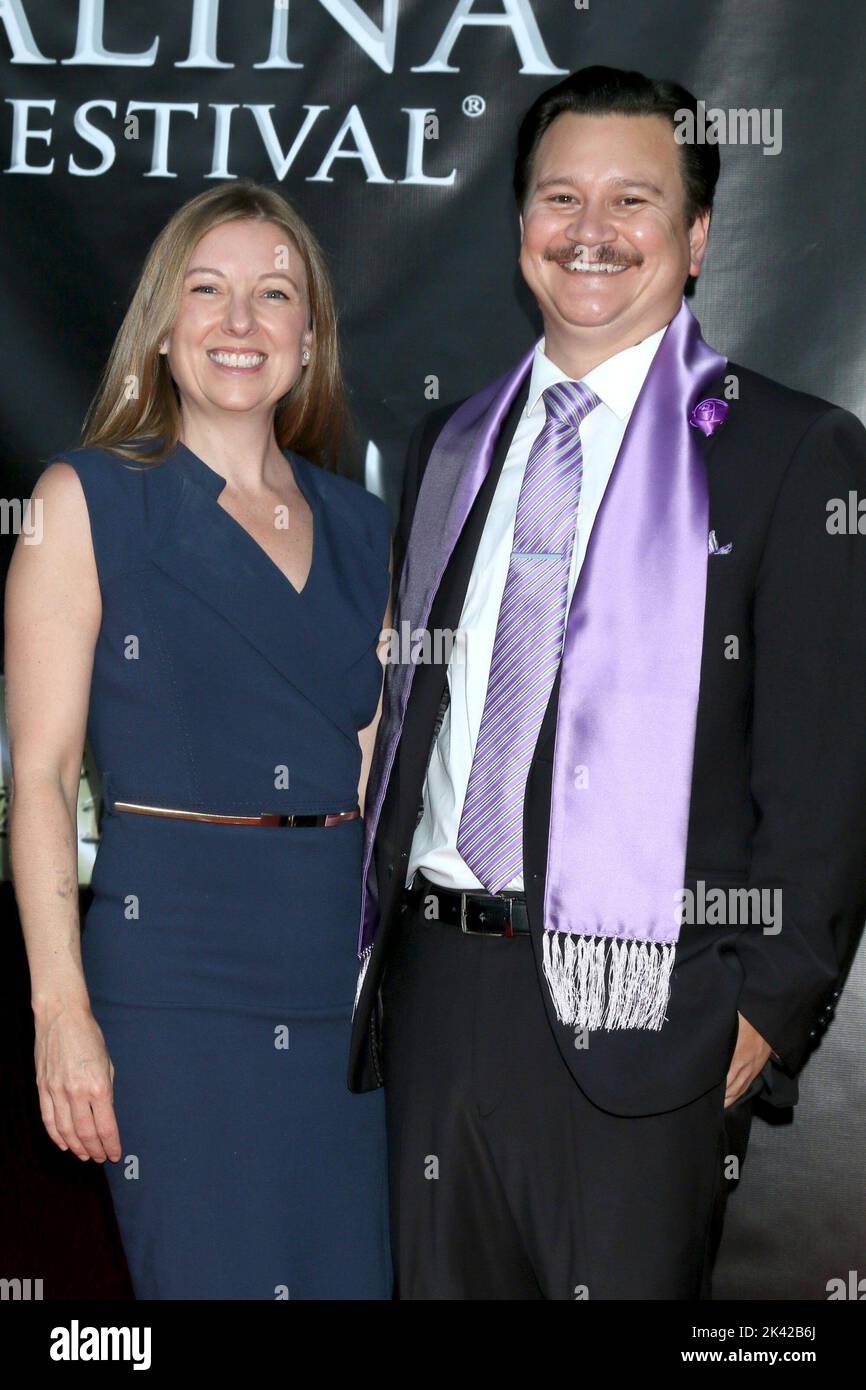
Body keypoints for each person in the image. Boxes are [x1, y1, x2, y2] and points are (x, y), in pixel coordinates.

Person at [349, 66, 866, 1299]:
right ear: (519, 226)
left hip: (645, 1021)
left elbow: (826, 775)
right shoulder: (450, 446)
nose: (589, 232)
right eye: (557, 197)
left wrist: (757, 1017)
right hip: (439, 998)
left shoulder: (790, 452)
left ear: (693, 237)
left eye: (631, 200)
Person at [6, 180, 393, 1300]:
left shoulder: (363, 524)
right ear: (163, 329)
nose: (239, 322)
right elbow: (38, 778)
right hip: (174, 975)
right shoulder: (84, 501)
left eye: (273, 295)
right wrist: (61, 1012)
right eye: (207, 292)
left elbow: (374, 768)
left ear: (307, 337)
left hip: (339, 979)